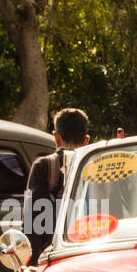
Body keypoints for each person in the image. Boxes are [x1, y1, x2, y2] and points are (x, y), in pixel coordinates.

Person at [25, 107, 90, 260]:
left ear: (56, 137)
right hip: (88, 254)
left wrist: (31, 263)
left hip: (53, 257)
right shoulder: (96, 168)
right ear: (86, 140)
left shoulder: (43, 166)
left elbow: (31, 223)